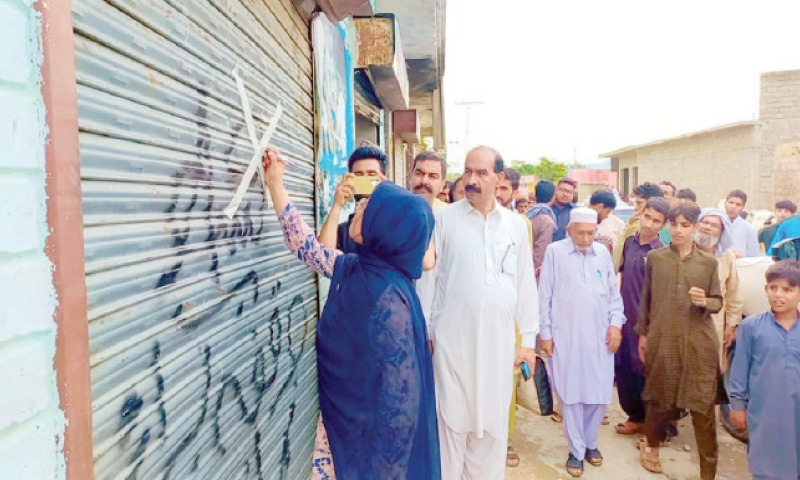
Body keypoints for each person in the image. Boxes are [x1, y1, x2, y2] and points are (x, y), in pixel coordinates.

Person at [262, 148, 440, 479]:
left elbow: (400, 408)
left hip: (371, 453)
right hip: (343, 428)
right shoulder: (360, 268)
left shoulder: (391, 302)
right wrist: (275, 182)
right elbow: (305, 246)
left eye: (368, 209)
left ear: (385, 227)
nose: (359, 211)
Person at [427, 146, 539, 479]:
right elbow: (429, 280)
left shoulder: (515, 226)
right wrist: (427, 332)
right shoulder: (444, 219)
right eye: (468, 171)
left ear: (499, 178)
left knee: (492, 425)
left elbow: (524, 283)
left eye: (481, 173)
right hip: (452, 344)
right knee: (451, 423)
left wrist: (528, 340)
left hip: (499, 346)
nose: (471, 180)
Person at [636, 200, 723, 479]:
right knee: (658, 397)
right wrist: (643, 333)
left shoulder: (708, 263)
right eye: (674, 224)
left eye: (685, 225)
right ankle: (651, 449)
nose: (678, 230)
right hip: (663, 340)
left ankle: (708, 471)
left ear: (695, 227)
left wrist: (705, 301)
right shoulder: (657, 258)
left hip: (698, 344)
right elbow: (646, 299)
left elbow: (718, 301)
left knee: (702, 406)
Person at [539, 207, 625, 477]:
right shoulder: (555, 252)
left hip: (600, 336)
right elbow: (545, 295)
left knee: (599, 393)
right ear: (569, 231)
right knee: (571, 394)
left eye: (591, 233)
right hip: (567, 336)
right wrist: (546, 334)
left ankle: (590, 441)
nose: (586, 238)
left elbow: (613, 294)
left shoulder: (602, 253)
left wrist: (615, 324)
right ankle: (576, 450)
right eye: (581, 233)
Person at [729, 260, 800, 480]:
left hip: (796, 410)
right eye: (773, 288)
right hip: (764, 410)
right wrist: (737, 406)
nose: (778, 295)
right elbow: (740, 369)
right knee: (765, 466)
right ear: (765, 289)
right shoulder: (751, 327)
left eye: (787, 290)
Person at [614, 197, 669, 437]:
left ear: (663, 225)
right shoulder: (629, 243)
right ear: (640, 214)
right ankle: (635, 417)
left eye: (656, 221)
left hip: (647, 324)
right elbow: (619, 274)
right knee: (624, 369)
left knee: (645, 372)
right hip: (625, 319)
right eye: (647, 217)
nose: (648, 224)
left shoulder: (661, 253)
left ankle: (654, 426)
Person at [495, 167, 534, 468]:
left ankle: (505, 440)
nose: (498, 193)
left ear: (514, 192)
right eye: (496, 187)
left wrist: (528, 333)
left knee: (508, 380)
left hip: (510, 316)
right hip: (480, 315)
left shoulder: (520, 224)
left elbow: (523, 276)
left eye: (505, 188)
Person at [695, 209, 744, 373]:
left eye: (714, 225)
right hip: (686, 321)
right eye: (705, 222)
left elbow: (733, 294)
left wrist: (731, 325)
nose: (708, 227)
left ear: (722, 231)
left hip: (715, 323)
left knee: (711, 369)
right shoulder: (685, 251)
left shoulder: (727, 256)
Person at [318, 145, 387, 253]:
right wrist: (337, 205)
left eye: (371, 175)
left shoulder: (395, 225)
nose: (365, 180)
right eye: (359, 175)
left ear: (383, 178)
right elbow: (322, 255)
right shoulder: (343, 232)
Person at [613, 183, 664, 271]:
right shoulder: (632, 237)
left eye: (639, 203)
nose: (635, 208)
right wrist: (629, 228)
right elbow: (616, 263)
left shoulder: (665, 238)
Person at [526, 181, 556, 277]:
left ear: (535, 197)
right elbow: (541, 250)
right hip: (534, 271)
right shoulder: (547, 221)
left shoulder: (527, 215)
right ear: (553, 197)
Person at [725, 189, 759, 257]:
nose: (733, 206)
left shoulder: (749, 229)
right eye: (731, 202)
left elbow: (753, 257)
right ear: (725, 203)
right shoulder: (715, 224)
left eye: (738, 204)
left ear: (743, 207)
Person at [552, 177, 578, 242]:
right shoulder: (547, 209)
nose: (565, 194)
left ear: (573, 194)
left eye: (569, 192)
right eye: (562, 190)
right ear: (556, 191)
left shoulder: (576, 212)